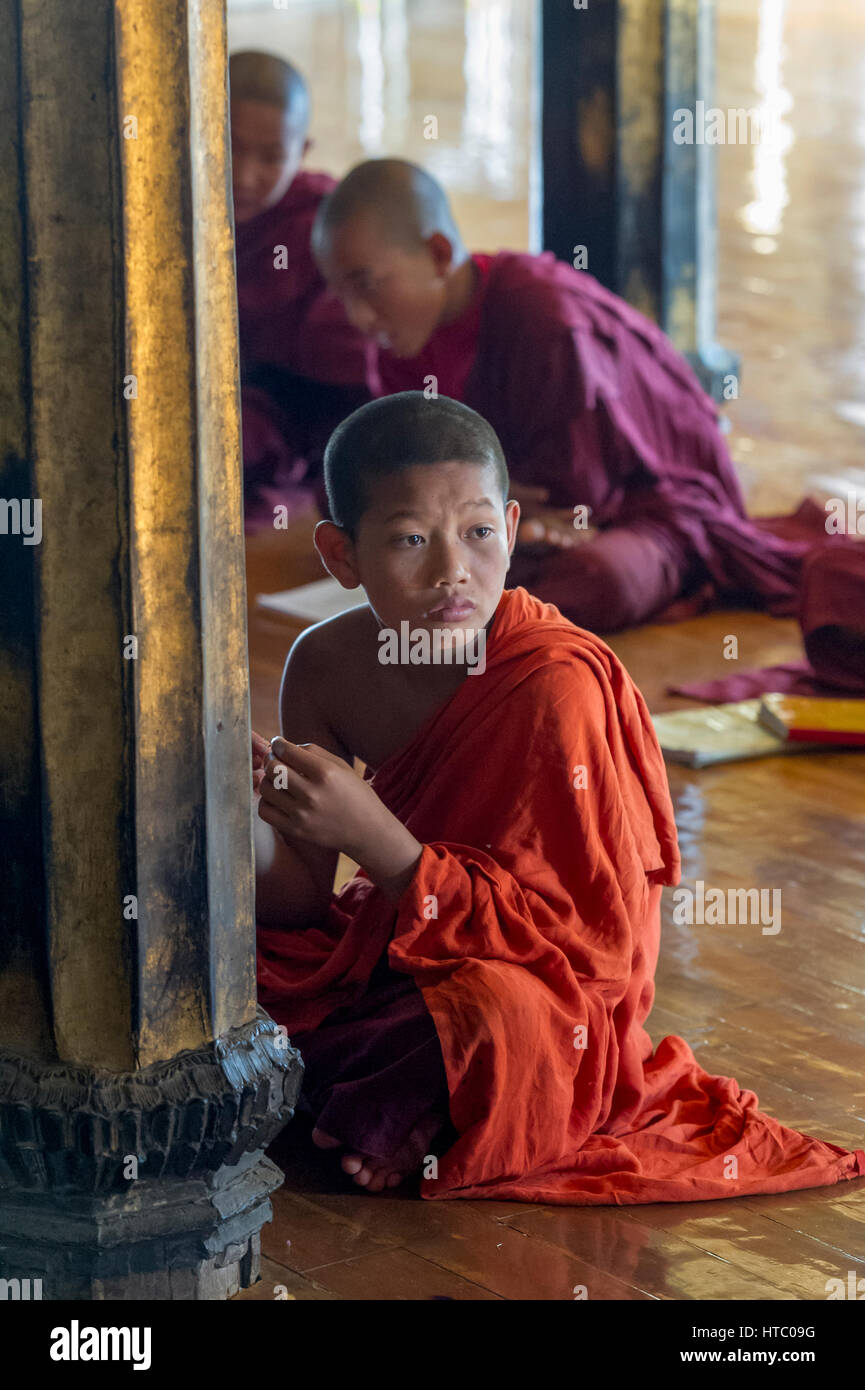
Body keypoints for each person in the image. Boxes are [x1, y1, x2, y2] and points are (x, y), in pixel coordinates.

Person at [253, 391, 864, 1201]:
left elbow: (590, 955)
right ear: (341, 555)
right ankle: (397, 1115)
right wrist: (244, 811)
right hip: (396, 948)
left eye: (476, 534)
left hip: (542, 987)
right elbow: (299, 904)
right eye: (408, 540)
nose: (451, 571)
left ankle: (392, 1111)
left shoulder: (553, 686)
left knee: (495, 1019)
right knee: (225, 964)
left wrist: (384, 847)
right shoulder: (325, 666)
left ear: (509, 532)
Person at [309, 158, 839, 632]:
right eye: (342, 294)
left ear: (439, 253)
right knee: (358, 515)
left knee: (595, 578)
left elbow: (575, 502)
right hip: (487, 522)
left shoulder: (541, 317)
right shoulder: (395, 338)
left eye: (367, 285)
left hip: (639, 515)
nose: (357, 317)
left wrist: (484, 508)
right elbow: (388, 465)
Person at [230, 51, 377, 528]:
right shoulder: (159, 206)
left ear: (303, 150)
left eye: (271, 157)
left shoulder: (323, 225)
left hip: (292, 420)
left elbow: (358, 381)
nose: (243, 176)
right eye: (228, 147)